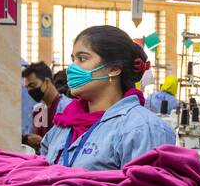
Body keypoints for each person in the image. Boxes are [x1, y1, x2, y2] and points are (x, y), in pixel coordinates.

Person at [40, 25, 175, 170]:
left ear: (114, 69)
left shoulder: (141, 129)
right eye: (73, 60)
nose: (72, 69)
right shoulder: (63, 124)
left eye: (82, 58)